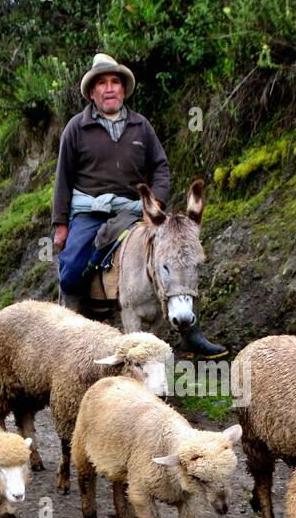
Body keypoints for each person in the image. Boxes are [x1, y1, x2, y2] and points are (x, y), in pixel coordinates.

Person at [52, 53, 225, 357]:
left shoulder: (140, 126)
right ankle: (74, 333)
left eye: (115, 82)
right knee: (72, 269)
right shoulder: (76, 129)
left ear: (123, 89)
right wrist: (61, 224)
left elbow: (160, 167)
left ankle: (189, 330)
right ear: (92, 92)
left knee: (177, 252)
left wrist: (155, 201)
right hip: (91, 212)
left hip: (137, 210)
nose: (109, 88)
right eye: (102, 83)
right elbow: (62, 179)